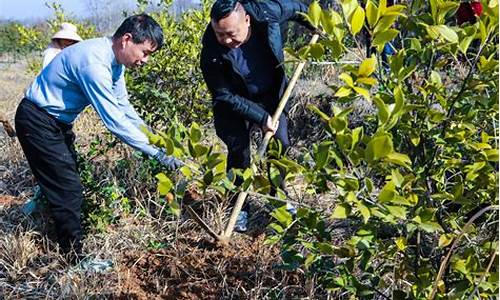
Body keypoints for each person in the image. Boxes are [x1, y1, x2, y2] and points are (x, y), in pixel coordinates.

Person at [15, 14, 181, 261]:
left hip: (56, 122)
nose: (145, 60)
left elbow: (124, 107)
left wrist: (157, 141)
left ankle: (37, 211)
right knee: (68, 188)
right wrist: (156, 153)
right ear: (126, 40)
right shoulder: (94, 64)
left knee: (64, 174)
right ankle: (74, 258)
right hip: (38, 119)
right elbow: (114, 120)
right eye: (144, 52)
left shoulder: (113, 61)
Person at [200, 0, 312, 232]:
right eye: (220, 34)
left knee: (279, 146)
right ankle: (238, 208)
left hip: (271, 97)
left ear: (247, 20)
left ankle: (279, 200)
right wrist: (260, 118)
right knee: (239, 152)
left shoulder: (266, 13)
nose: (226, 40)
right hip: (232, 105)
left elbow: (298, 8)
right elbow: (224, 95)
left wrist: (315, 24)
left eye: (231, 34)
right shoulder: (211, 51)